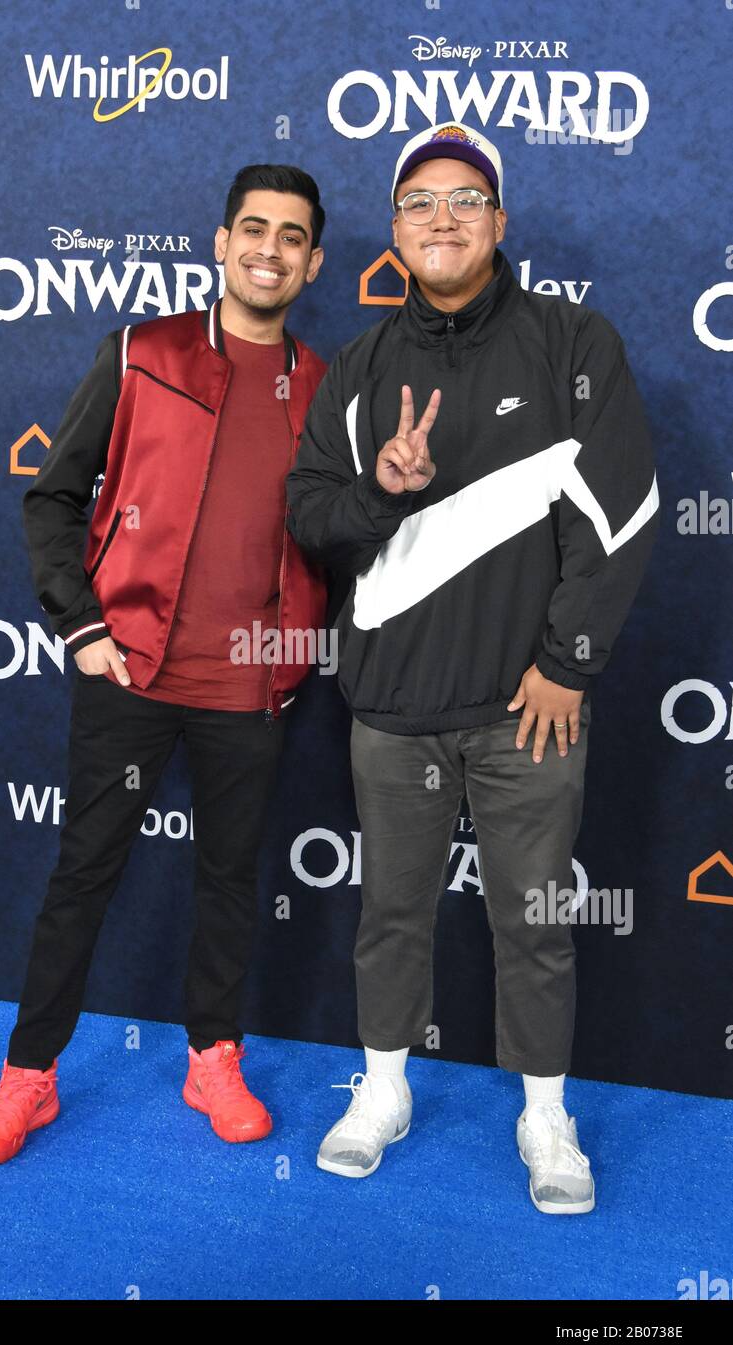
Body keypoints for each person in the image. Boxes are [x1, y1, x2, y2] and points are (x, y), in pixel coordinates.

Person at [285, 122, 659, 1212]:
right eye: (418, 202)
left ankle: (545, 1115)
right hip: (392, 704)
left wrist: (568, 664)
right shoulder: (360, 368)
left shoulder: (572, 341)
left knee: (533, 922)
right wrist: (382, 489)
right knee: (390, 913)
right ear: (393, 229)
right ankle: (384, 1090)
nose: (440, 218)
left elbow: (622, 513)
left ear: (498, 220)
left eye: (463, 199)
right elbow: (311, 517)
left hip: (525, 710)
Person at [0, 165, 327, 1164]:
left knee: (230, 879)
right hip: (132, 669)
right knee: (84, 873)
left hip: (253, 681)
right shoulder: (142, 352)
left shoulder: (326, 386)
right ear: (221, 243)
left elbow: (340, 533)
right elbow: (53, 497)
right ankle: (29, 1078)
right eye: (254, 228)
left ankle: (213, 1059)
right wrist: (81, 626)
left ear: (312, 263)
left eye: (292, 236)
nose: (270, 248)